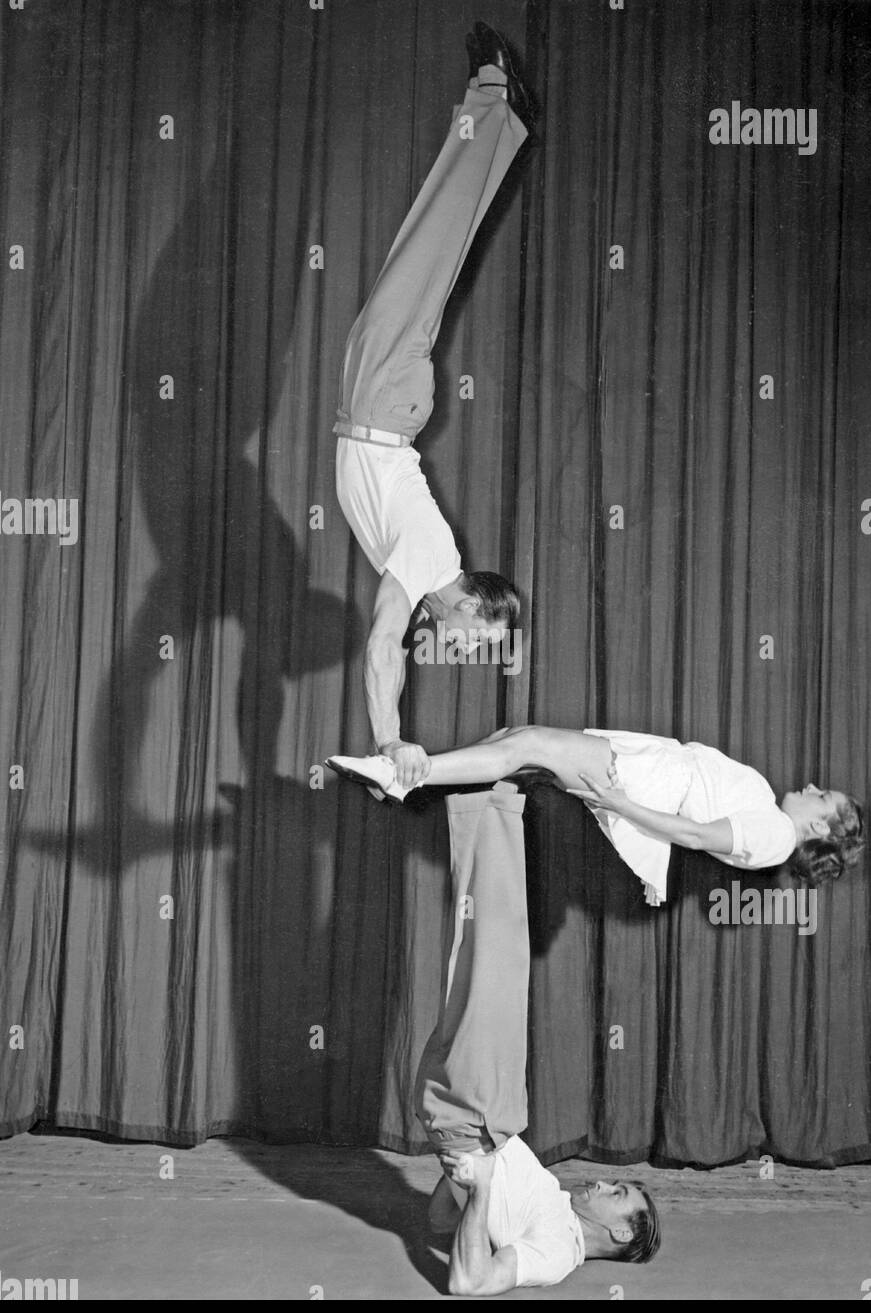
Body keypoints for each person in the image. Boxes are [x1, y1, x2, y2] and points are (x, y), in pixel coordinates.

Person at [334, 22, 529, 795]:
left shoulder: (418, 573)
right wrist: (390, 741)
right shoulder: (430, 560)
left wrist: (391, 746)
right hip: (383, 400)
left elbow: (388, 637)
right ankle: (493, 94)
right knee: (436, 239)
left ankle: (501, 113)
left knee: (433, 244)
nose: (474, 647)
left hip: (371, 398)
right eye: (486, 636)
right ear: (476, 606)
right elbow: (382, 645)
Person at [419, 780, 660, 1295]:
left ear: (618, 1232)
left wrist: (480, 1187)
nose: (601, 1181)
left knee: (495, 947)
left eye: (616, 1193)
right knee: (483, 947)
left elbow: (467, 1284)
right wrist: (460, 1183)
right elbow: (439, 1221)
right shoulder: (555, 1208)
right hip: (477, 1118)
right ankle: (486, 803)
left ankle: (493, 798)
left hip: (482, 1115)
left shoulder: (556, 1253)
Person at [328, 724, 866, 905]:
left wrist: (622, 804)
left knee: (524, 745)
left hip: (641, 784)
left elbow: (696, 835)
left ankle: (398, 774)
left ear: (820, 827)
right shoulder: (770, 811)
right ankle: (402, 783)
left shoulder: (774, 833)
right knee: (514, 739)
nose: (813, 786)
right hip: (642, 767)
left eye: (823, 797)